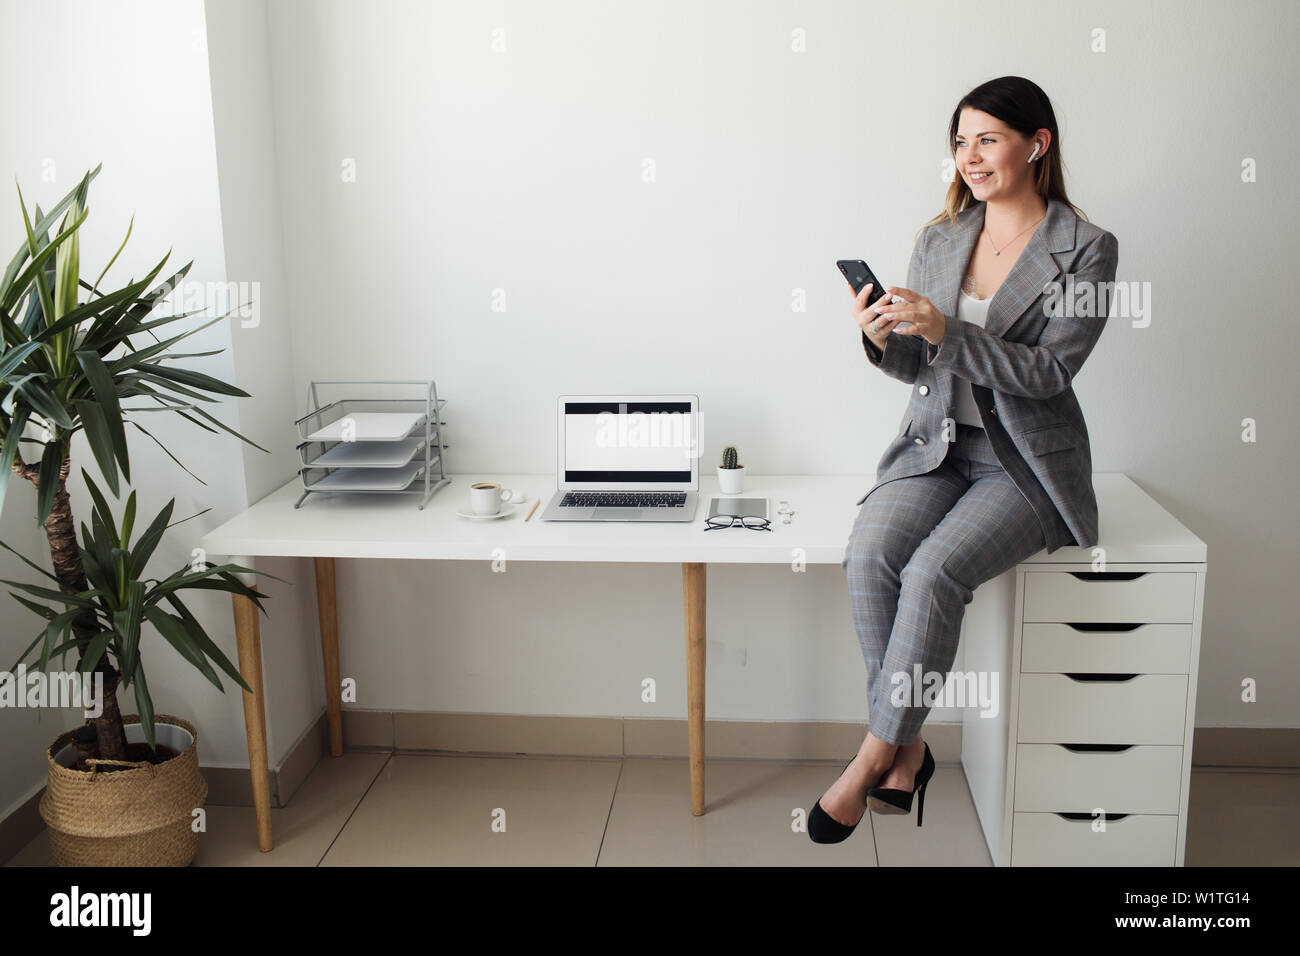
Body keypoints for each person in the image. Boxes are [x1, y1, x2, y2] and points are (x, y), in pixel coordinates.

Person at [809, 75, 1120, 843]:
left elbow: (1050, 374)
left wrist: (950, 331)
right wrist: (884, 340)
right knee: (871, 556)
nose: (968, 157)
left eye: (986, 138)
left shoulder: (1087, 249)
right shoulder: (943, 235)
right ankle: (911, 745)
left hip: (1021, 464)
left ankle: (872, 752)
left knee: (934, 572)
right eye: (959, 140)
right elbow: (924, 366)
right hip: (934, 447)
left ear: (1036, 144)